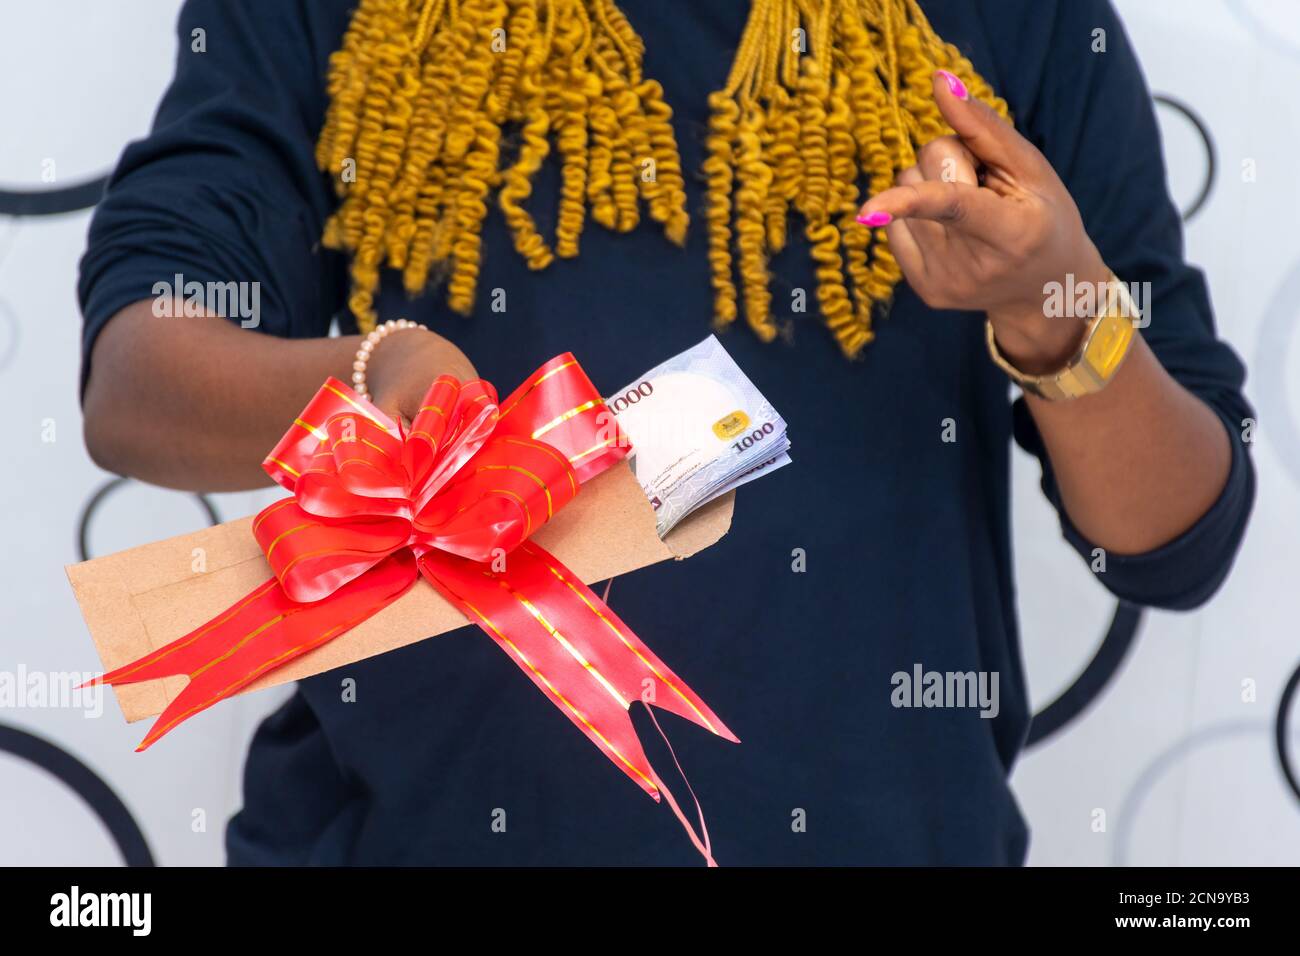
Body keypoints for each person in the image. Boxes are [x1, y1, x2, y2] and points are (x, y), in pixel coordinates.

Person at [78, 0, 1254, 864]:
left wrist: (1059, 315)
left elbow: (1173, 538)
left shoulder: (1003, 26)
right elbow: (136, 376)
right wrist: (376, 375)